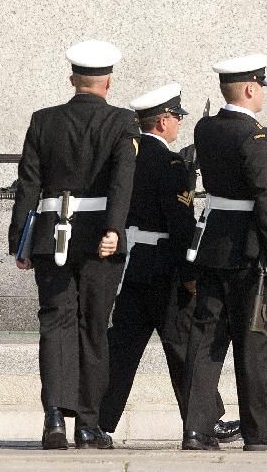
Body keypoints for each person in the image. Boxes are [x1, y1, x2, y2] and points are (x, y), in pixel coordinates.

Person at [8, 40, 140, 450]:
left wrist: (21, 242)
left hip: (50, 236)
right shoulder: (122, 122)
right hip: (99, 236)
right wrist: (115, 229)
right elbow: (122, 180)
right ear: (108, 83)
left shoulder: (43, 120)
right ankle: (87, 423)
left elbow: (28, 183)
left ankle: (53, 419)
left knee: (54, 324)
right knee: (94, 328)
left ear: (72, 80)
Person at [181, 54, 267, 452]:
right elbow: (266, 197)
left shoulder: (206, 128)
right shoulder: (251, 136)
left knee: (207, 341)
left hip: (213, 245)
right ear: (251, 89)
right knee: (255, 342)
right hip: (250, 253)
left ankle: (197, 429)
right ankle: (264, 430)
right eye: (260, 90)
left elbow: (236, 145)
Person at [99, 83, 240, 444]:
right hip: (164, 268)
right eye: (176, 117)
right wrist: (190, 272)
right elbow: (180, 226)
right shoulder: (172, 163)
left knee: (122, 350)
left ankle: (100, 423)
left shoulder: (124, 157)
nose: (179, 124)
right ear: (162, 122)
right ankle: (204, 422)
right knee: (184, 349)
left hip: (129, 265)